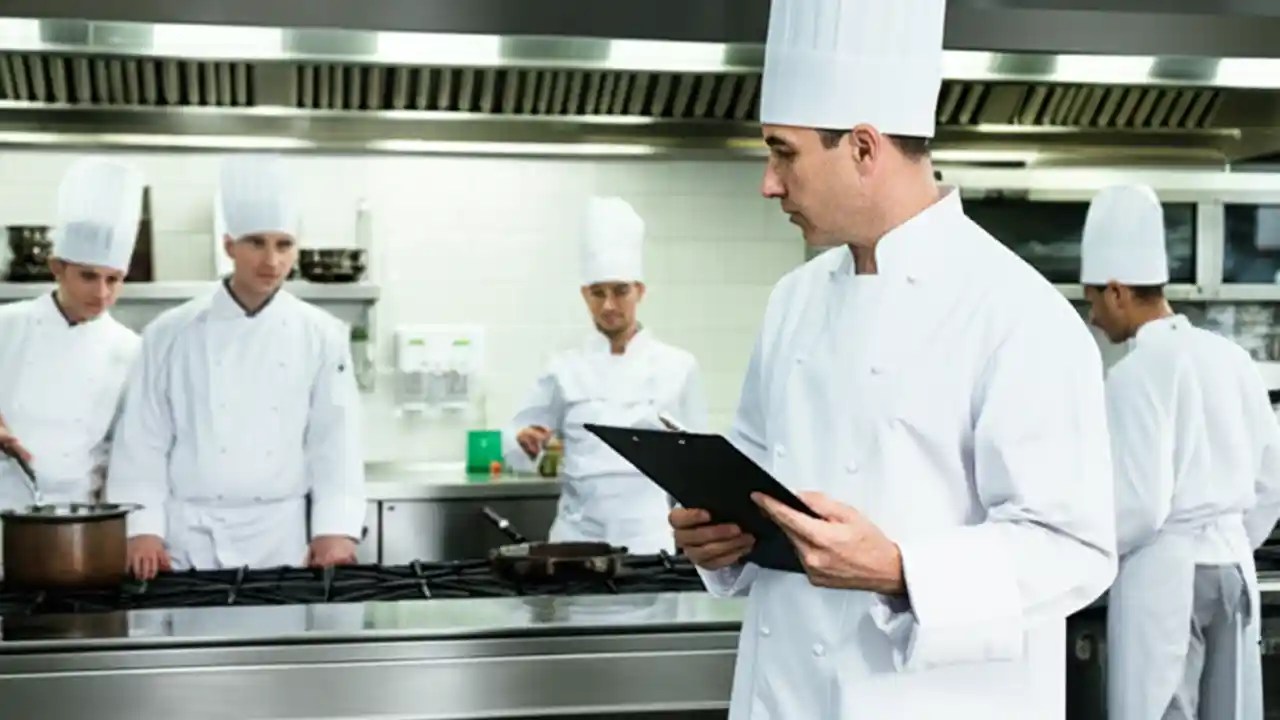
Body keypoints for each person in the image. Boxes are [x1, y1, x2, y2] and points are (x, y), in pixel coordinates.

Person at [668, 0, 1117, 716]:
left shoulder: (1014, 312)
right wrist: (718, 534)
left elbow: (1072, 548)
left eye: (784, 152)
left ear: (864, 149)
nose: (769, 182)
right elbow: (758, 468)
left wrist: (901, 569)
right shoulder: (793, 299)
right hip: (783, 696)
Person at [107, 154, 366, 580]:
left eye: (284, 245)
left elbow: (334, 439)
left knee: (275, 644)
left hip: (279, 537)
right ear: (229, 246)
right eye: (256, 243)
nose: (272, 260)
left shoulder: (322, 334)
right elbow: (143, 439)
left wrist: (335, 529)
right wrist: (141, 529)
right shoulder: (169, 332)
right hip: (186, 537)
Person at [1080, 184, 1280, 720]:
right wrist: (1227, 536)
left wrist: (1087, 554)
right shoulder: (1231, 358)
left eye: (1093, 298)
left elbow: (1140, 507)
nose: (1093, 315)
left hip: (1166, 576)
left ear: (1118, 291)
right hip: (1234, 568)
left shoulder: (1133, 376)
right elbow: (1272, 484)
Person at [505, 196, 707, 554]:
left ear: (640, 291)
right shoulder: (562, 368)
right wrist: (524, 442)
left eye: (620, 291)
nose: (609, 305)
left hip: (649, 541)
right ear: (585, 295)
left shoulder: (678, 366)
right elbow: (516, 444)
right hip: (576, 541)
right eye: (598, 293)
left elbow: (697, 464)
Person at [0, 157, 145, 513]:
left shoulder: (131, 348)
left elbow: (131, 446)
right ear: (57, 269)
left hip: (80, 517)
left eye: (113, 279)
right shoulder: (7, 324)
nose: (101, 293)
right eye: (88, 276)